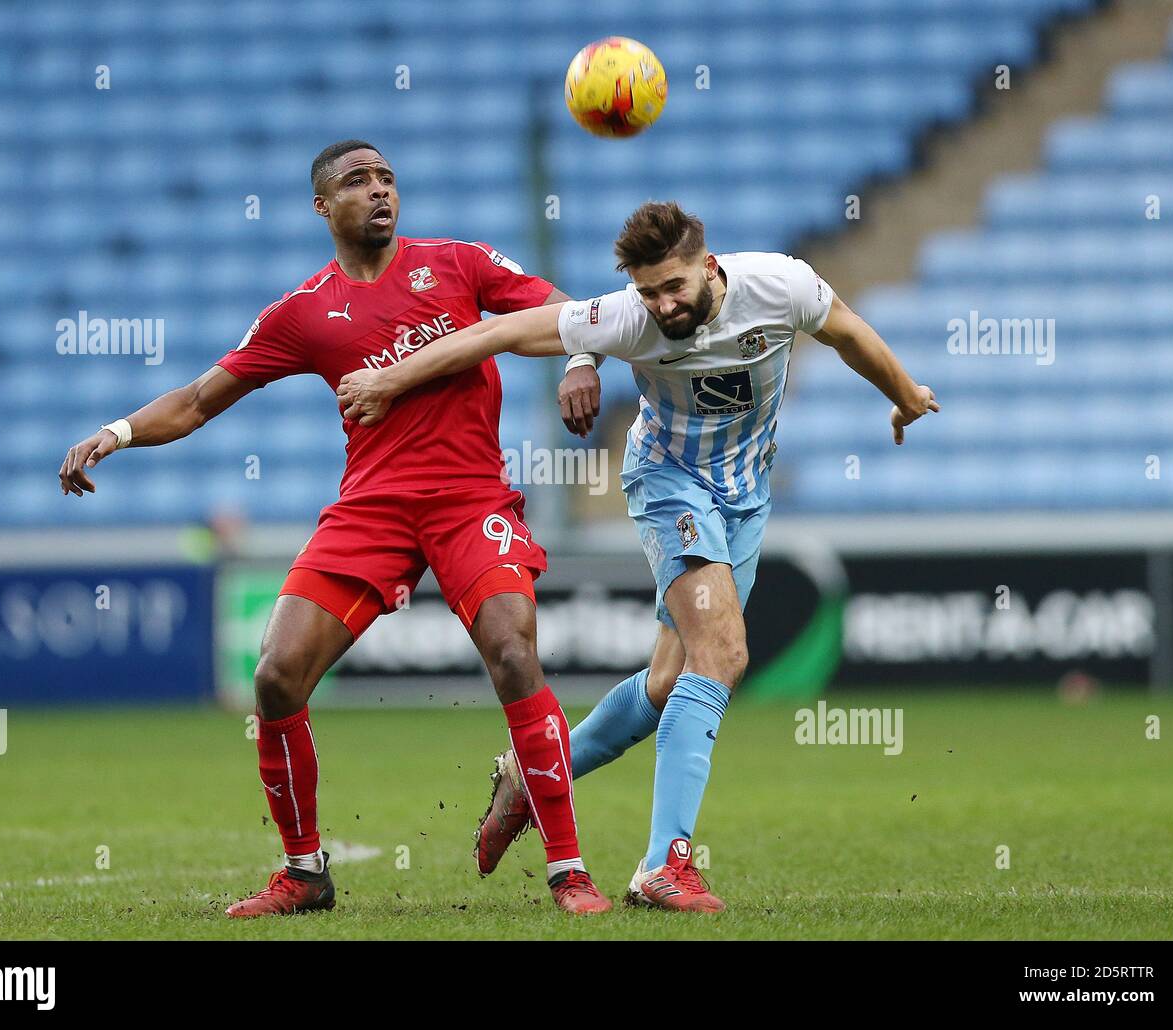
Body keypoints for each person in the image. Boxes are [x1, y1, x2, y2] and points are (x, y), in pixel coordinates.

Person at [58, 140, 612, 917]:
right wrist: (114, 433)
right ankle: (304, 874)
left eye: (388, 178)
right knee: (276, 674)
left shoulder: (457, 263)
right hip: (372, 507)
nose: (380, 190)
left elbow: (567, 311)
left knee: (516, 651)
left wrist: (580, 361)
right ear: (323, 207)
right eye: (358, 181)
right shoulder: (304, 311)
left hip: (469, 499)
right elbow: (195, 400)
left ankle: (568, 871)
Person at [336, 200, 939, 912]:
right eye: (649, 291)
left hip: (746, 494)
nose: (662, 304)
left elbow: (849, 333)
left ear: (708, 267)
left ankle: (525, 779)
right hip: (669, 482)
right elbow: (498, 332)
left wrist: (904, 396)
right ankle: (664, 865)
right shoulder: (627, 315)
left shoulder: (782, 286)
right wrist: (389, 378)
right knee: (722, 656)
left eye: (674, 286)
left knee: (667, 682)